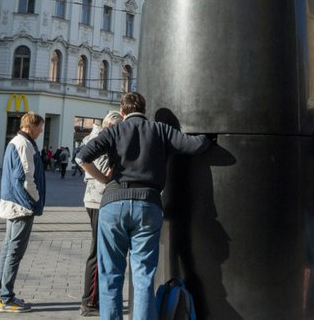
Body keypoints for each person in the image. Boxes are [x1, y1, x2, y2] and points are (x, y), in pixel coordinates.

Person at [75, 92, 212, 320]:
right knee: (143, 276)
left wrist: (104, 179)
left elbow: (81, 157)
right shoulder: (160, 130)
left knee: (110, 274)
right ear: (144, 110)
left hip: (113, 204)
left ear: (122, 111)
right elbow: (194, 145)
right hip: (148, 204)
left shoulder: (114, 131)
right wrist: (210, 138)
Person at [0, 112, 47, 314]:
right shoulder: (24, 145)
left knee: (8, 250)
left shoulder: (15, 142)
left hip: (13, 202)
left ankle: (0, 295)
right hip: (21, 205)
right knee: (14, 252)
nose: (41, 131)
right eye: (40, 127)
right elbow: (26, 177)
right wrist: (36, 198)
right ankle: (6, 298)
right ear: (31, 127)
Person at [78, 110, 123, 317]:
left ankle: (92, 299)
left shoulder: (92, 137)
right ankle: (89, 301)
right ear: (111, 126)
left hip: (92, 197)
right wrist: (110, 174)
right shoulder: (103, 140)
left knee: (98, 249)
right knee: (98, 251)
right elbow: (104, 170)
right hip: (98, 199)